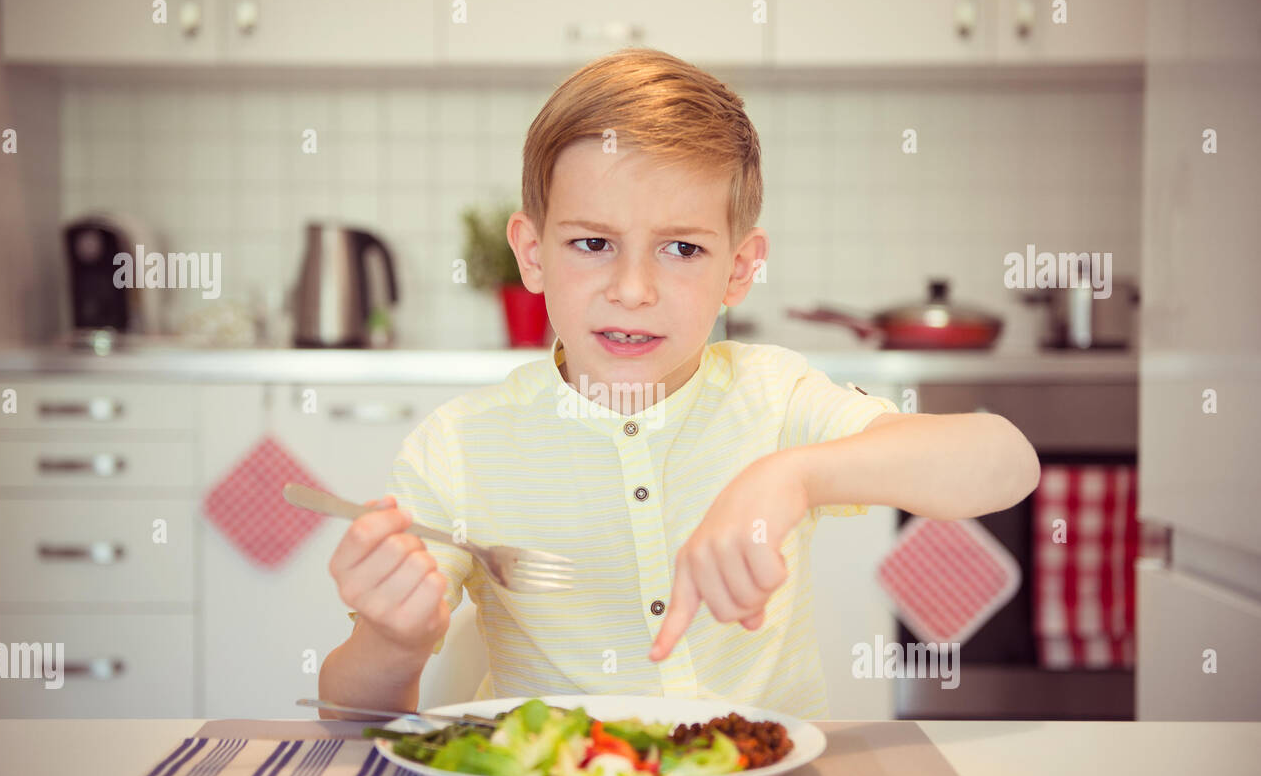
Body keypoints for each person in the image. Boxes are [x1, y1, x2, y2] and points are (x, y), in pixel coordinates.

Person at [318, 48, 1039, 721]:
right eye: (593, 244)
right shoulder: (459, 447)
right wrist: (392, 640)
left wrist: (795, 476)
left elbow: (1004, 460)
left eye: (683, 249)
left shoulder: (776, 397)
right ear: (532, 255)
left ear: (738, 269)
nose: (633, 290)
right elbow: (351, 719)